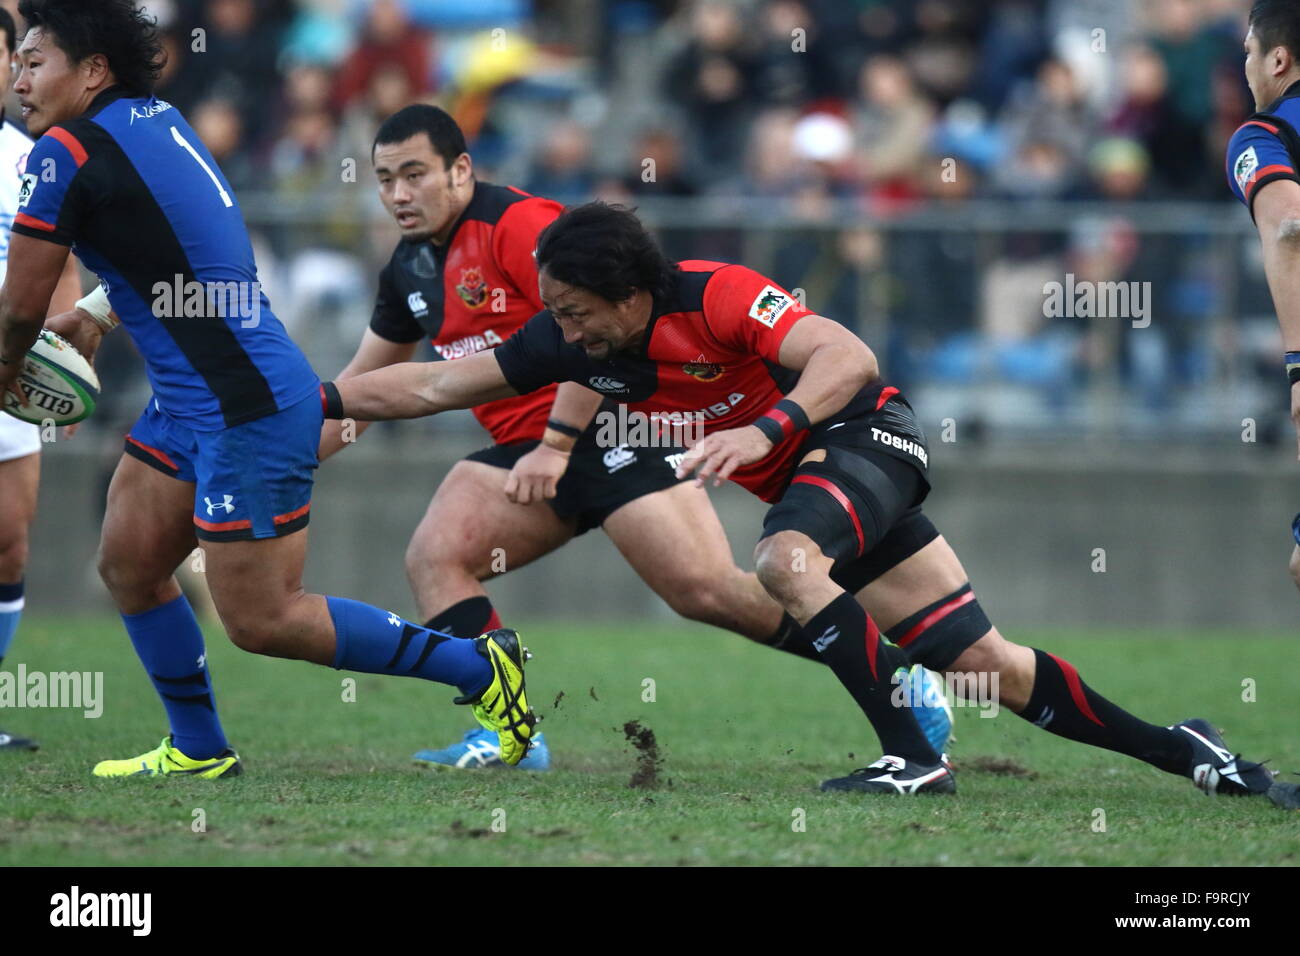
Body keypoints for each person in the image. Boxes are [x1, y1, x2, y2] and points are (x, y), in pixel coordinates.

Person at [325, 202, 1297, 803]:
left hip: (867, 435)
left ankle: (910, 754)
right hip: (814, 475)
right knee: (987, 665)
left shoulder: (714, 293)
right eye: (555, 312)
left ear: (627, 294)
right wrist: (316, 398)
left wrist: (764, 430)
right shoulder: (577, 343)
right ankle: (1191, 750)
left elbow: (849, 356)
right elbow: (429, 387)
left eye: (575, 310)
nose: (562, 329)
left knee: (782, 561)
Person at [320, 104, 953, 769]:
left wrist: (559, 440)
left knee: (709, 593)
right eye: (385, 178)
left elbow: (602, 337)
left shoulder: (519, 228)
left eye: (414, 174)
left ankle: (900, 680)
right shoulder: (407, 270)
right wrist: (288, 441)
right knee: (436, 555)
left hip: (611, 427)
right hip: (522, 451)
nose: (397, 194)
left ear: (460, 171)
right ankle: (512, 736)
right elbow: (379, 388)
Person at [0, 0, 535, 777]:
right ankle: (199, 748)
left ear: (92, 71)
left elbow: (18, 308)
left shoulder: (64, 153)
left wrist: (8, 363)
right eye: (17, 62)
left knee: (263, 618)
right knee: (129, 563)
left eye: (34, 60)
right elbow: (185, 245)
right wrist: (93, 312)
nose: (19, 76)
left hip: (244, 405)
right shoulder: (157, 122)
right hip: (196, 398)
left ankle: (481, 669)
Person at [0, 4, 84, 752]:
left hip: (9, 373)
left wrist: (67, 368)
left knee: (8, 542)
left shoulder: (31, 158)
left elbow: (60, 268)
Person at [1225, 0, 1300, 606]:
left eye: (1249, 52)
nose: (1245, 65)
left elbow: (1288, 225)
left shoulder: (1267, 135)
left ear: (1278, 58)